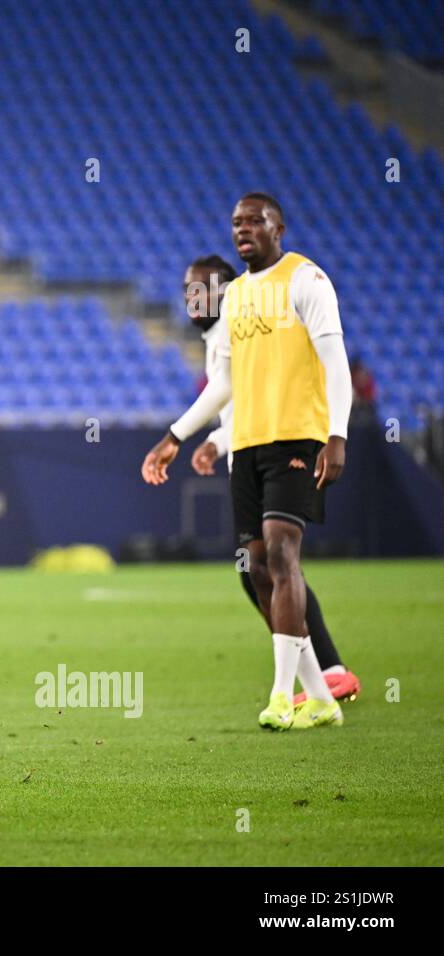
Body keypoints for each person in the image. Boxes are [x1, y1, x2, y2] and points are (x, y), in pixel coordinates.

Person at [142, 194, 353, 731]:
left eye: (255, 221)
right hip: (250, 447)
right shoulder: (234, 297)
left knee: (282, 556)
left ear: (278, 226)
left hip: (297, 441)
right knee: (256, 568)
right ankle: (322, 695)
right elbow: (227, 383)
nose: (244, 229)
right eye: (236, 222)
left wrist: (337, 434)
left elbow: (335, 360)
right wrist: (177, 436)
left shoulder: (306, 280)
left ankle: (283, 696)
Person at [176, 255, 359, 704]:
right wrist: (216, 443)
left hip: (275, 450)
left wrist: (183, 437)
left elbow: (249, 396)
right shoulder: (221, 333)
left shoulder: (235, 327)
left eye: (204, 289)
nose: (194, 298)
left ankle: (325, 673)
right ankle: (318, 679)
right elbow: (237, 405)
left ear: (226, 291)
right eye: (188, 290)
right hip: (246, 453)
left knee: (274, 563)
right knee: (262, 568)